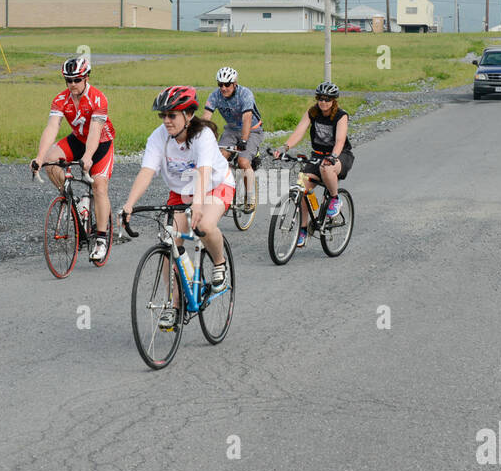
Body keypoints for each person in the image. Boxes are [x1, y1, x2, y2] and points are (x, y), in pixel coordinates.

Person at [121, 86, 236, 327]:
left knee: (204, 225)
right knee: (169, 243)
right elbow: (146, 172)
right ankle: (173, 305)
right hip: (181, 191)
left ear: (188, 115)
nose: (166, 120)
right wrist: (129, 205)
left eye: (172, 115)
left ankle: (219, 263)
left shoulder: (203, 135)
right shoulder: (158, 137)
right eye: (163, 115)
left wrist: (198, 205)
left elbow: (204, 171)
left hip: (215, 184)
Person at [31, 56, 116, 262]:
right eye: (68, 80)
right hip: (77, 139)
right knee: (51, 161)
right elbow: (52, 127)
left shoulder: (98, 99)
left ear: (86, 77)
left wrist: (88, 156)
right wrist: (40, 157)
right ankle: (73, 201)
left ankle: (101, 239)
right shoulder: (61, 99)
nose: (72, 84)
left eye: (77, 79)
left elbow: (95, 131)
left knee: (99, 186)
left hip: (101, 144)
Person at [270, 80, 353, 247]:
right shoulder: (312, 113)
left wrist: (333, 156)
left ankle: (335, 199)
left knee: (326, 168)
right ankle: (303, 229)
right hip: (317, 155)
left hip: (340, 155)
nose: (323, 102)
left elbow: (339, 140)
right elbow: (299, 132)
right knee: (302, 187)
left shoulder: (341, 116)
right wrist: (284, 148)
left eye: (327, 99)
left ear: (333, 101)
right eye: (320, 98)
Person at [203, 66, 262, 212]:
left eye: (227, 84)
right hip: (231, 130)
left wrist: (244, 140)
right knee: (219, 159)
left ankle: (250, 197)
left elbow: (247, 118)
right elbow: (206, 118)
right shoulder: (215, 96)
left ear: (235, 83)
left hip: (252, 130)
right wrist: (200, 137)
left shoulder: (245, 94)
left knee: (243, 162)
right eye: (220, 84)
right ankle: (222, 191)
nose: (223, 88)